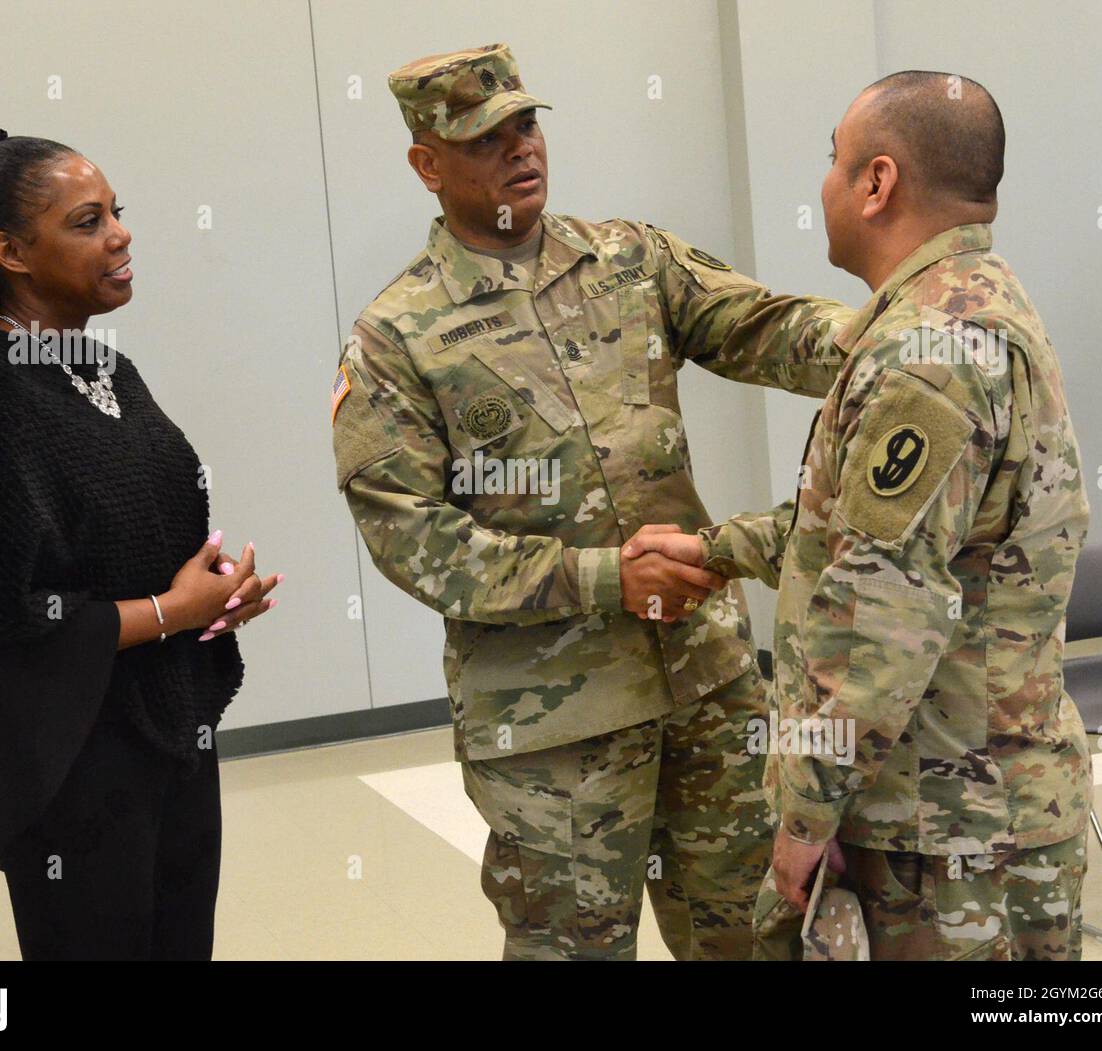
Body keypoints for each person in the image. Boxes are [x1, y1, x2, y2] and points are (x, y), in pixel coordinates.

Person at [332, 44, 852, 960]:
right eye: (485, 136)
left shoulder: (628, 259)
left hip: (709, 683)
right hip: (551, 725)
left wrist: (901, 334)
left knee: (758, 938)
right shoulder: (397, 337)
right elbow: (410, 535)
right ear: (427, 163)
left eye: (526, 124)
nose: (519, 148)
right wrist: (605, 577)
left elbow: (764, 327)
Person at [625, 71, 1093, 960]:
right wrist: (719, 548)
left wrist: (803, 814)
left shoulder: (928, 354)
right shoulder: (972, 305)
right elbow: (868, 534)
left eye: (833, 163)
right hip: (983, 805)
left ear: (878, 183)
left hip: (942, 832)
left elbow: (885, 610)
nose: (826, 186)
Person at [0, 127, 283, 959]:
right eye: (86, 221)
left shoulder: (109, 369)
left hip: (171, 738)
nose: (120, 234)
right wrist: (172, 609)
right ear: (11, 252)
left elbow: (137, 542)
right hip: (72, 763)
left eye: (118, 212)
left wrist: (215, 597)